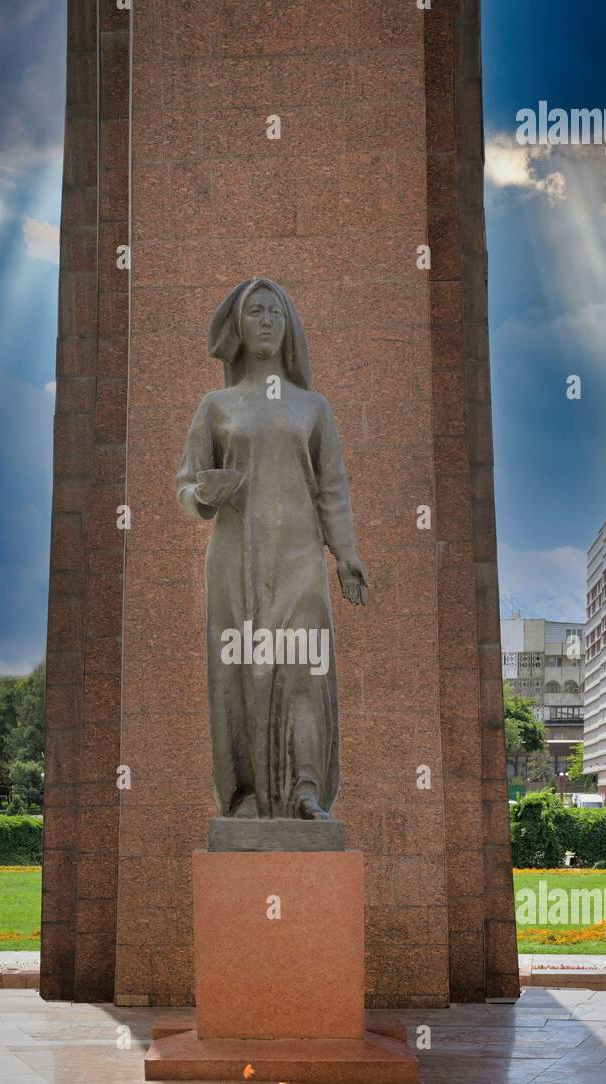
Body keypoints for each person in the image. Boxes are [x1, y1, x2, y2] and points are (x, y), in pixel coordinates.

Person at [176, 277, 368, 821]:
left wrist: (345, 553)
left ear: (288, 329)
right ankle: (244, 797)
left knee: (304, 669)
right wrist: (204, 497)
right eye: (255, 311)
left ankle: (306, 788)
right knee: (241, 675)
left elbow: (332, 486)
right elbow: (185, 484)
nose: (265, 320)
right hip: (236, 561)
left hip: (301, 560)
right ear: (239, 325)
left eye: (274, 312)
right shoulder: (216, 406)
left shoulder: (312, 407)